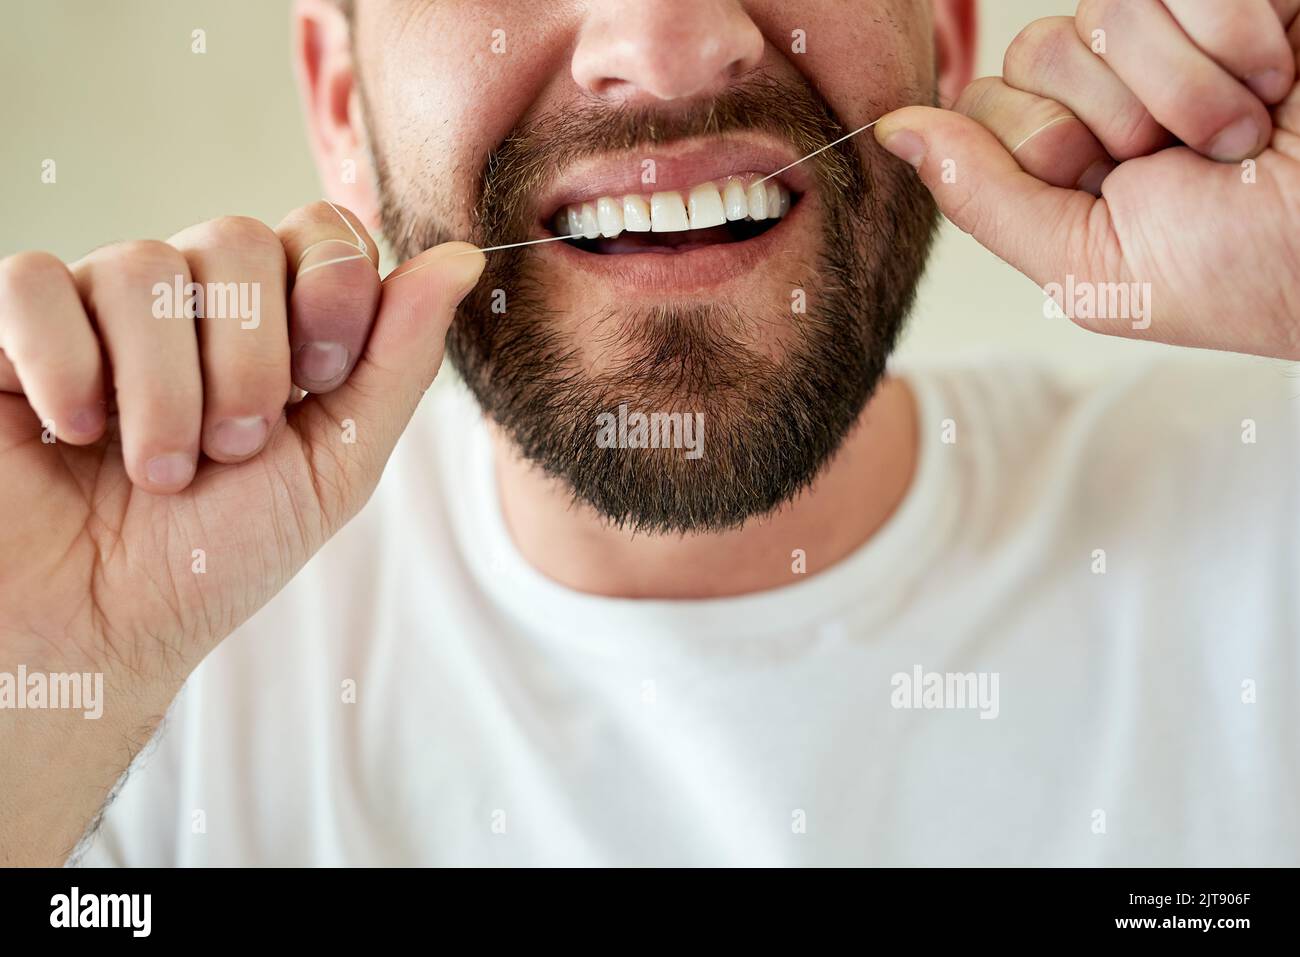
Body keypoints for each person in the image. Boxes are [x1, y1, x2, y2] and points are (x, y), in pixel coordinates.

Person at [2, 0, 1298, 866]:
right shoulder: (141, 703)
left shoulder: (1263, 518)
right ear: (343, 105)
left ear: (943, 39)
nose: (667, 46)